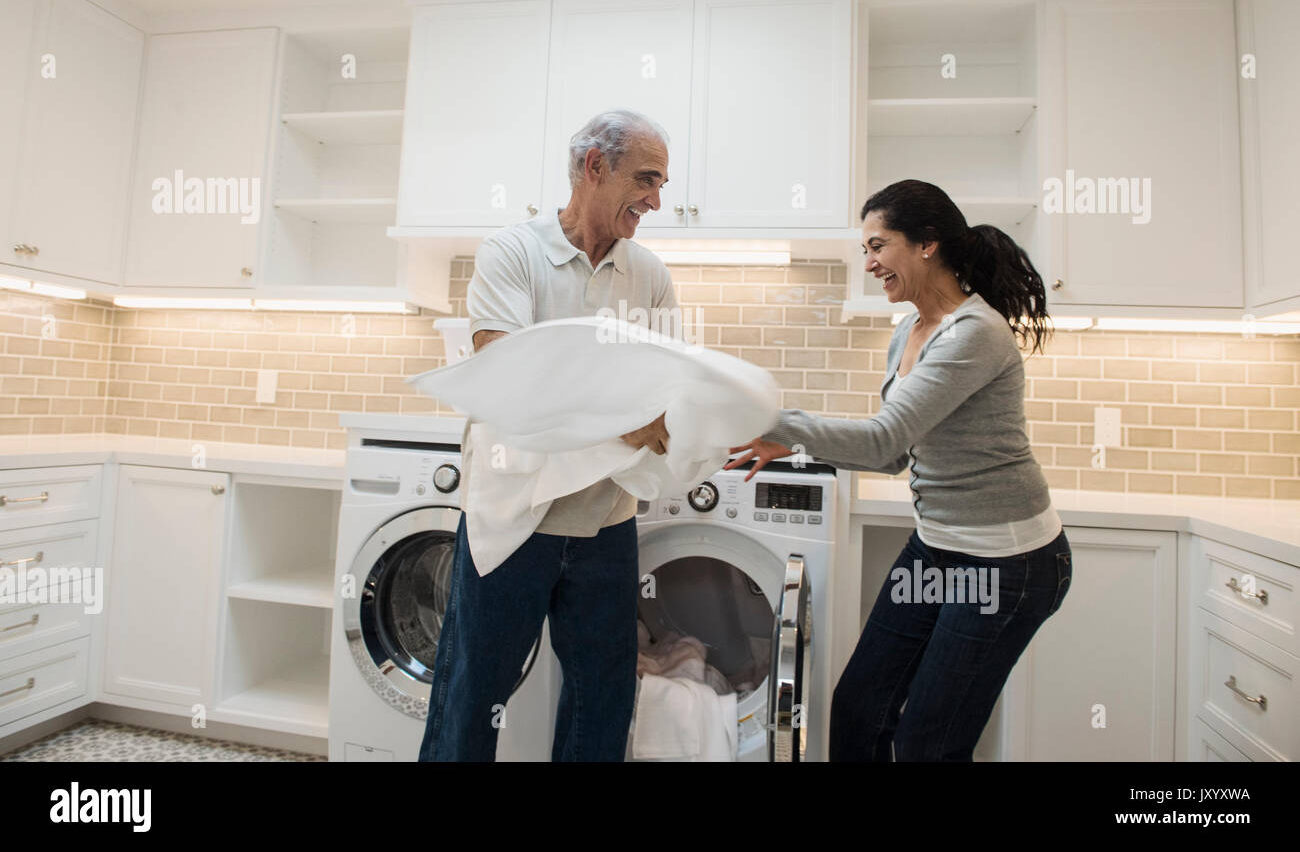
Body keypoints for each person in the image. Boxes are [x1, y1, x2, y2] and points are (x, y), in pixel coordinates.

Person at [725, 179, 1072, 761]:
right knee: (859, 710)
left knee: (927, 744)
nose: (869, 264)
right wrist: (792, 446)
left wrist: (772, 419)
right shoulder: (907, 332)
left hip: (1007, 564)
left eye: (878, 246)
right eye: (866, 250)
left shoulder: (975, 334)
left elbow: (885, 435)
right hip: (938, 548)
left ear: (927, 244)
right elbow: (890, 455)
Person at [418, 109, 679, 761]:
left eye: (662, 184)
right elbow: (507, 374)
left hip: (606, 517)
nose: (656, 199)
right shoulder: (514, 252)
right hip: (516, 513)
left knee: (603, 696)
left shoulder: (649, 275)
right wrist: (623, 413)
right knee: (475, 691)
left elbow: (668, 388)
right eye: (646, 179)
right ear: (596, 166)